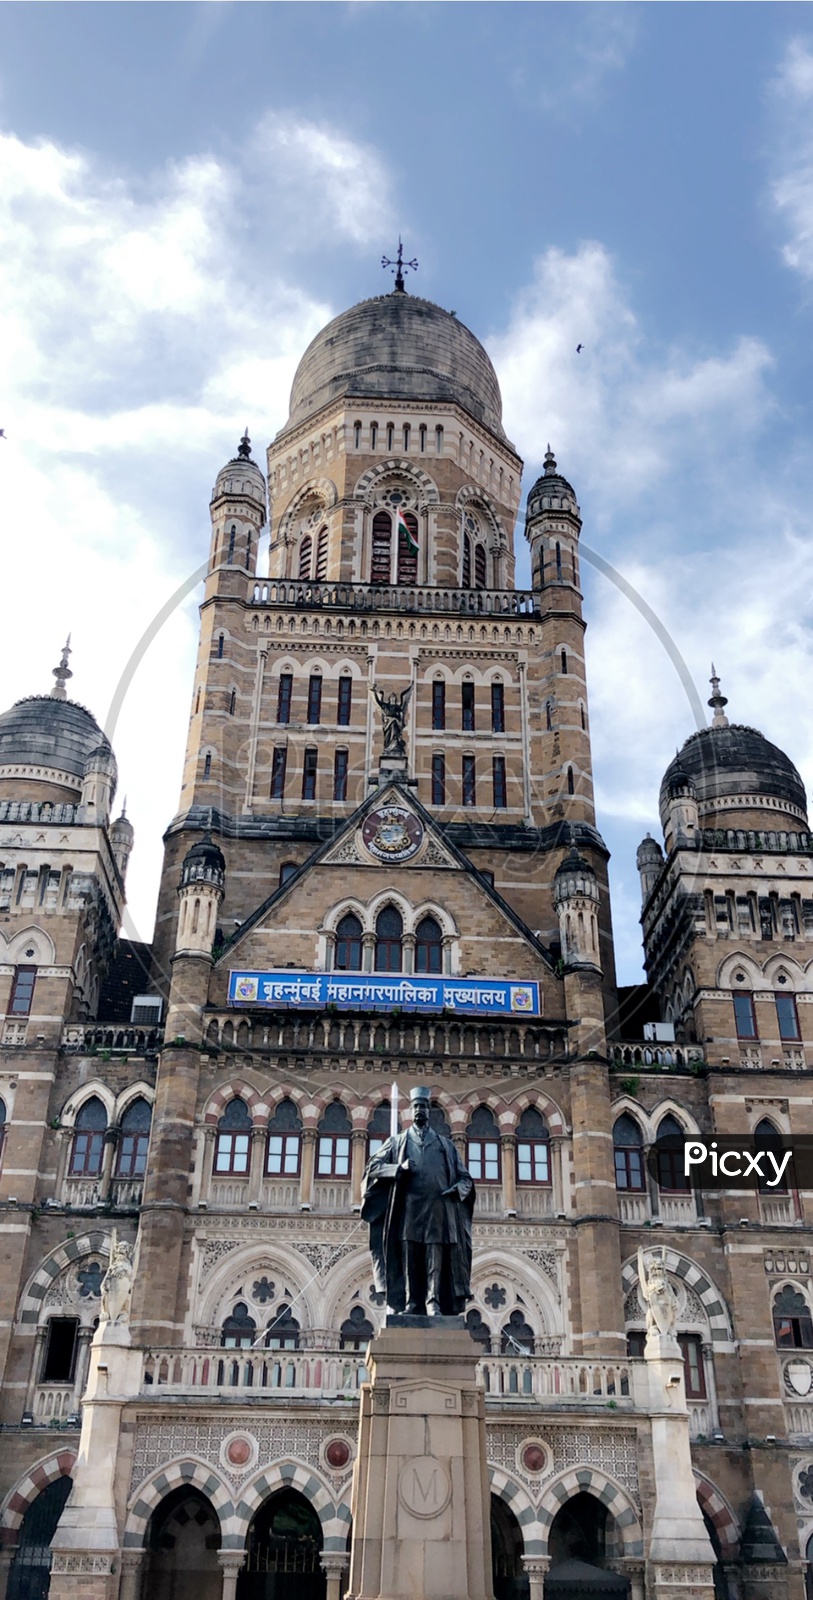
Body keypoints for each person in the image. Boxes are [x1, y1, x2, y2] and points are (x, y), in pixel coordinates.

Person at [361, 1086, 475, 1316]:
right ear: (410, 1112)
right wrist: (397, 1169)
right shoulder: (397, 1142)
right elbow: (372, 1167)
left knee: (435, 1257)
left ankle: (433, 1303)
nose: (419, 1111)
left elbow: (466, 1179)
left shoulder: (446, 1146)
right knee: (410, 1258)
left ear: (429, 1111)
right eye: (415, 1107)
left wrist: (457, 1190)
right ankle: (412, 1303)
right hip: (408, 1212)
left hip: (438, 1212)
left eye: (423, 1106)